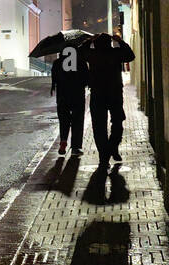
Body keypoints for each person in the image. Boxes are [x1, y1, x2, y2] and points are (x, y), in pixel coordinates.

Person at [82, 32, 135, 170]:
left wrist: (89, 40)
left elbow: (80, 52)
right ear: (110, 43)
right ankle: (112, 148)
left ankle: (103, 156)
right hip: (115, 93)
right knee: (117, 122)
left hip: (98, 94)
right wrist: (120, 41)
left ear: (96, 44)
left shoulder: (92, 55)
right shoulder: (116, 53)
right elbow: (130, 56)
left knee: (99, 127)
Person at [50, 44, 88, 156]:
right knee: (77, 121)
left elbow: (54, 79)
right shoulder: (80, 62)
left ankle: (63, 141)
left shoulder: (57, 63)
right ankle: (76, 147)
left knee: (64, 120)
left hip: (62, 96)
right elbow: (86, 79)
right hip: (78, 96)